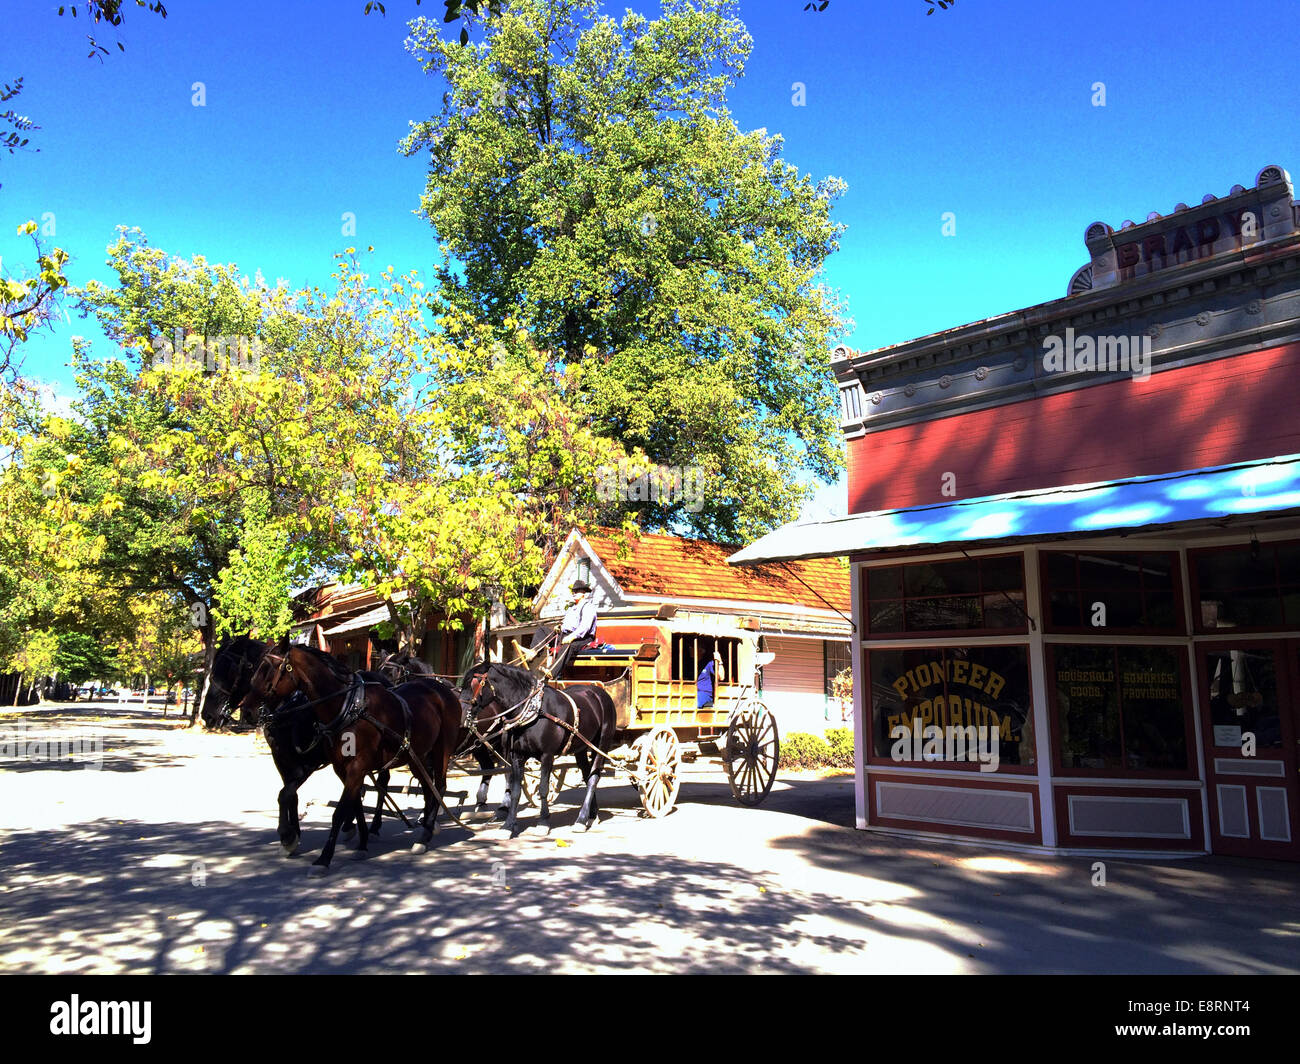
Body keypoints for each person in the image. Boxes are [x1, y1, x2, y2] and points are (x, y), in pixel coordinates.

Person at [543, 580, 599, 680]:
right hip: (566, 635)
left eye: (577, 591)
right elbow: (566, 625)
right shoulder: (571, 608)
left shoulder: (588, 607)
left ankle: (552, 672)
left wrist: (572, 637)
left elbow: (584, 627)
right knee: (542, 630)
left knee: (569, 645)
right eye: (573, 591)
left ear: (583, 593)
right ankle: (532, 652)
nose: (574, 593)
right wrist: (559, 628)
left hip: (583, 638)